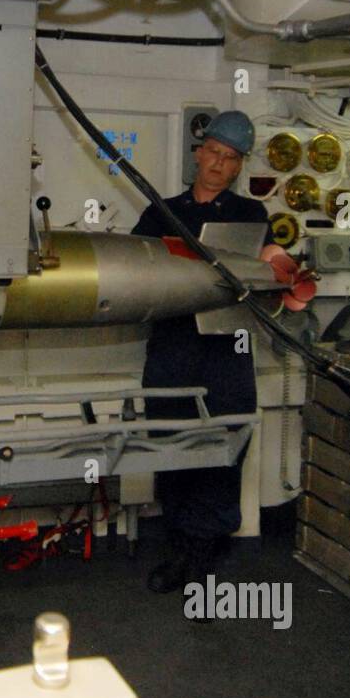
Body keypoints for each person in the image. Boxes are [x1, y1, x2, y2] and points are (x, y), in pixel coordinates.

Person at [130, 110, 269, 597]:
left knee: (222, 452)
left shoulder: (251, 217)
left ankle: (206, 567)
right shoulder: (160, 212)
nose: (218, 163)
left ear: (238, 167)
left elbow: (261, 276)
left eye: (230, 158)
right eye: (212, 152)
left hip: (225, 352)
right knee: (171, 447)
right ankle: (180, 553)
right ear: (198, 153)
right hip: (172, 347)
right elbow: (135, 270)